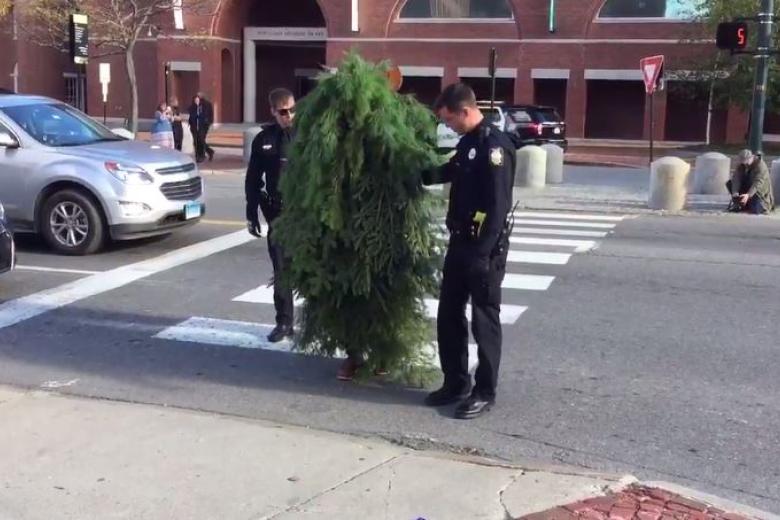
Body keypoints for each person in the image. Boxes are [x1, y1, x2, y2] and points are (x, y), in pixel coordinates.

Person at [421, 83, 516, 420]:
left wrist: (482, 253)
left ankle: (484, 391)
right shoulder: (468, 144)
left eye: (449, 120)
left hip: (483, 250)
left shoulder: (494, 146)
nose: (448, 126)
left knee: (484, 320)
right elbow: (450, 171)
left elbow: (498, 206)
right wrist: (416, 174)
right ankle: (456, 382)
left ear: (465, 111)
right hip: (460, 243)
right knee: (449, 314)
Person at [245, 88, 297, 343]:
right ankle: (284, 322)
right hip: (278, 213)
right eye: (284, 112)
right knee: (282, 270)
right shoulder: (264, 139)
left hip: (305, 214)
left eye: (293, 110)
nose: (289, 116)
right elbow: (253, 179)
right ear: (273, 112)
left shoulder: (307, 135)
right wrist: (252, 213)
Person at [727, 149, 775, 214]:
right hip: (747, 188)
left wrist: (748, 195)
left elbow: (758, 183)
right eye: (743, 162)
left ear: (752, 157)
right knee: (730, 184)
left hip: (759, 193)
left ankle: (748, 203)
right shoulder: (741, 164)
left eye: (746, 161)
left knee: (756, 210)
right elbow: (736, 178)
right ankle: (739, 203)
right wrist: (735, 192)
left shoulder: (761, 166)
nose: (745, 164)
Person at [188, 94, 214, 163]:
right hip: (194, 127)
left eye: (198, 99)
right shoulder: (192, 107)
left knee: (201, 140)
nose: (196, 101)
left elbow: (208, 115)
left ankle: (202, 156)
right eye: (195, 100)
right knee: (196, 142)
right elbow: (191, 116)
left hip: (202, 126)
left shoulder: (203, 106)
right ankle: (203, 154)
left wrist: (209, 122)